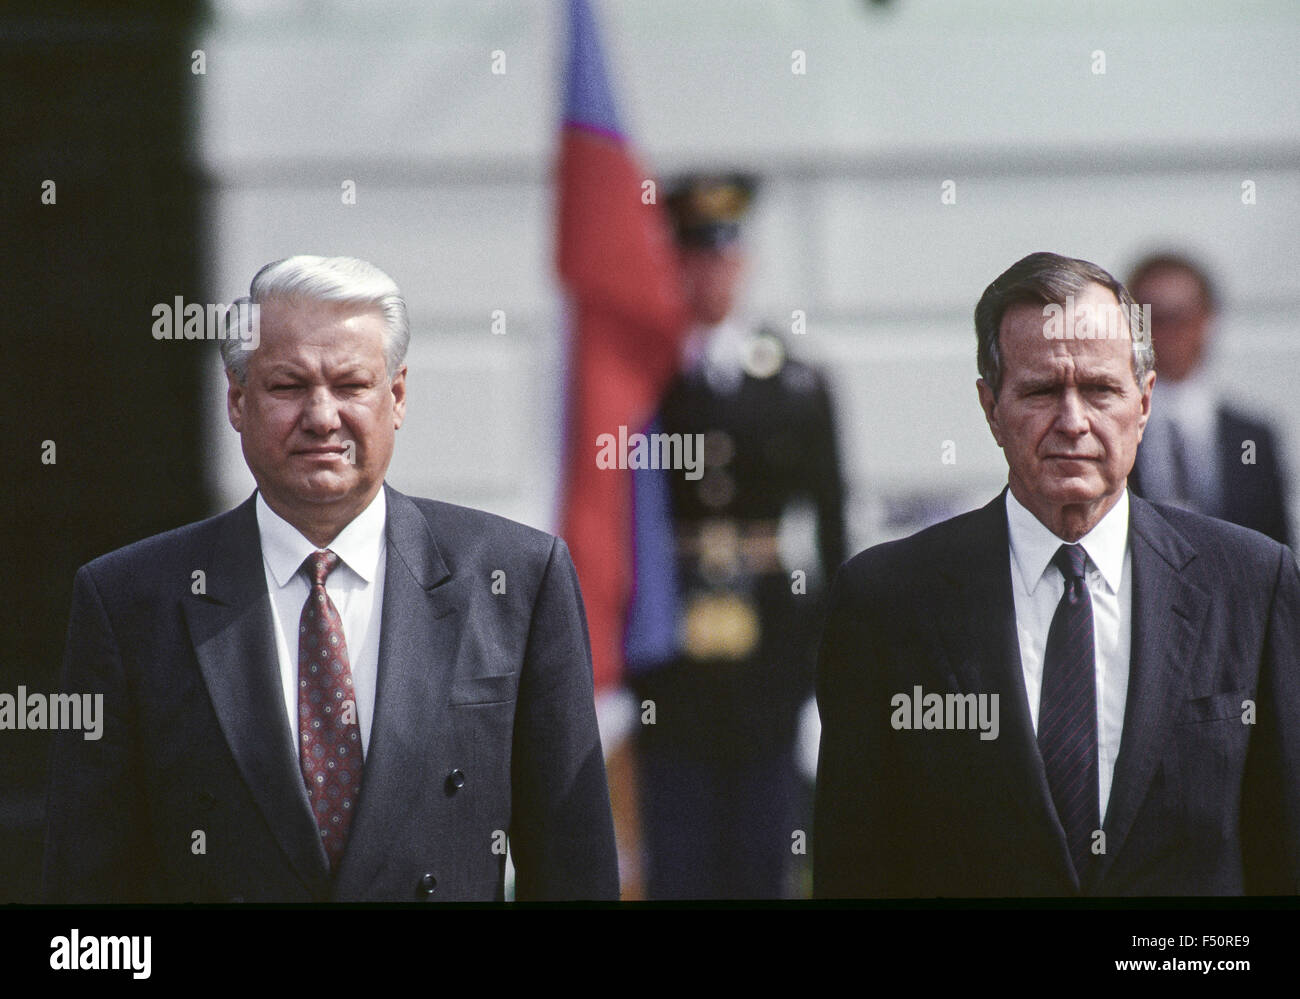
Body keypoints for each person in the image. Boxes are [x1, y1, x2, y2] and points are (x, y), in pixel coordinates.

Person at [42, 255, 619, 902]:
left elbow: (576, 867)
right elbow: (85, 898)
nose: (321, 416)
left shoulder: (516, 579)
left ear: (396, 396)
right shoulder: (129, 599)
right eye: (288, 386)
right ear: (237, 400)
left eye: (350, 385)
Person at [814, 251, 1299, 897]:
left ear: (1144, 401)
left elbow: (1283, 848)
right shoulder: (887, 601)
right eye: (1042, 390)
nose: (1073, 421)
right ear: (991, 408)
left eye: (1100, 389)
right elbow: (855, 866)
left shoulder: (1251, 582)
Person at [629, 174, 846, 898]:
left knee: (763, 848)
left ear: (744, 263)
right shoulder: (640, 382)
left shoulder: (796, 382)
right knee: (679, 851)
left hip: (771, 638)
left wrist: (831, 659)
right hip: (668, 640)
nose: (710, 273)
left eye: (724, 256)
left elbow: (832, 525)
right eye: (694, 256)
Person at [1126, 252, 1291, 544]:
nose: (1167, 333)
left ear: (1206, 319)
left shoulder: (1252, 437)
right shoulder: (1112, 429)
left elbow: (1275, 545)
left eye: (1180, 317)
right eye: (1153, 318)